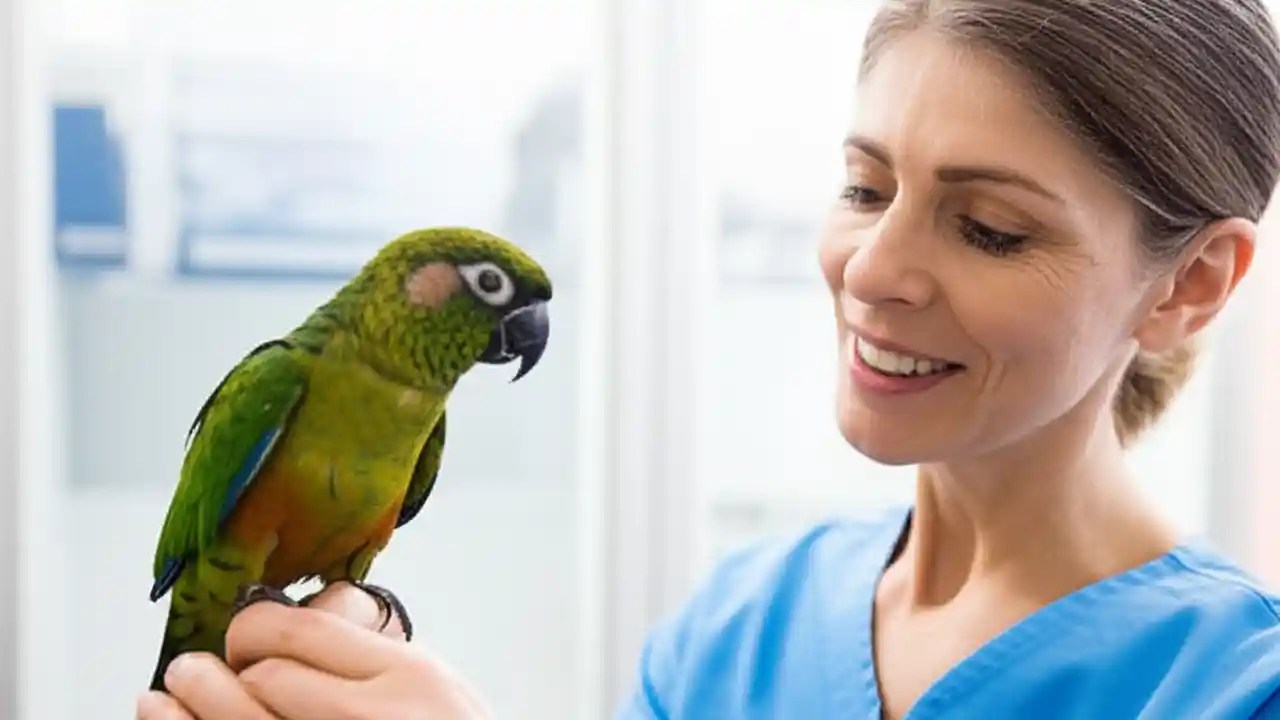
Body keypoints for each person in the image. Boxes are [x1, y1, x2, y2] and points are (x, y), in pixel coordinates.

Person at [138, 0, 1280, 717]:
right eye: (863, 188)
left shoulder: (1234, 689)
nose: (872, 270)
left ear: (1187, 285)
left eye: (988, 228)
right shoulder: (733, 631)